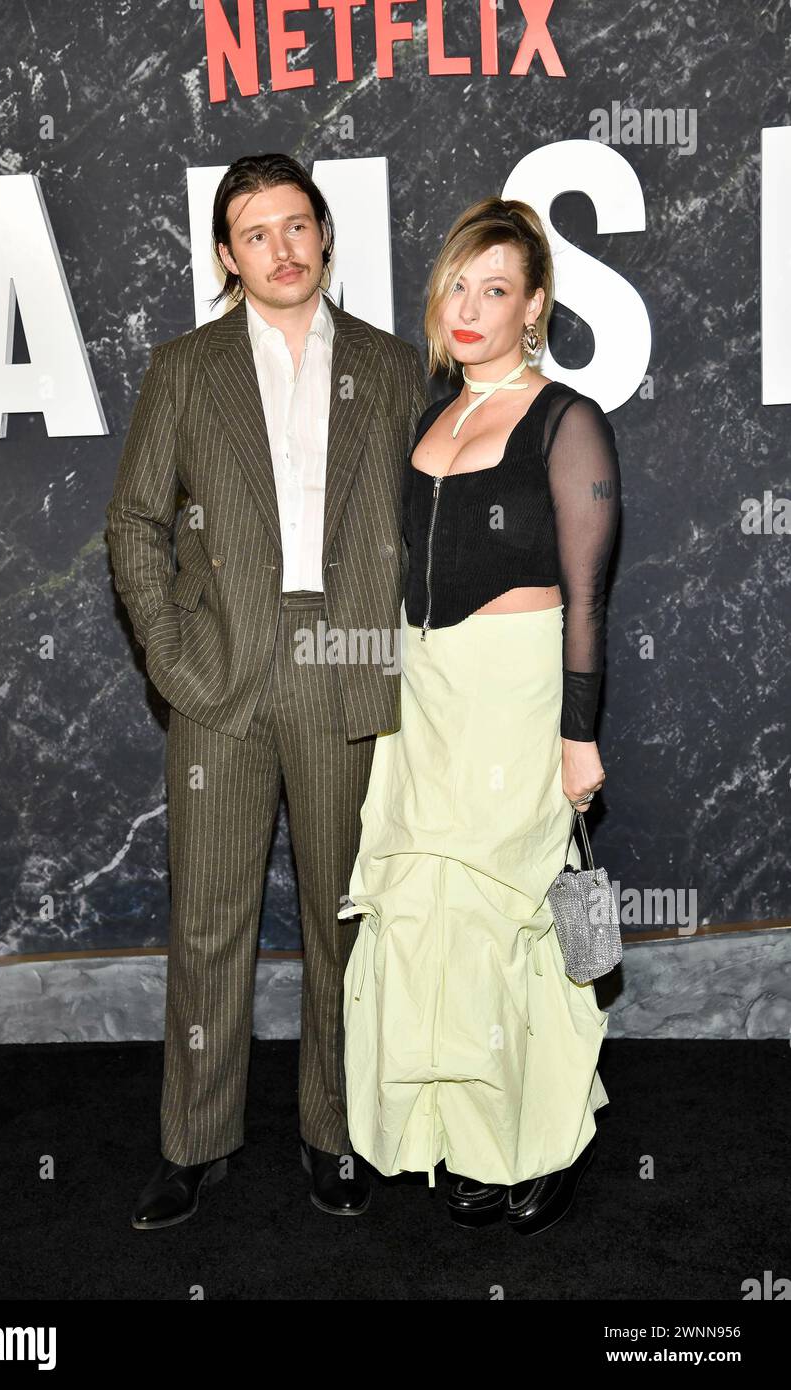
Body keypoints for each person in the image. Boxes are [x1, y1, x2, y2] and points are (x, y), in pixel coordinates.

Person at [105, 153, 428, 1229]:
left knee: (347, 918)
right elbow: (136, 522)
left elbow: (430, 530)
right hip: (223, 672)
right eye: (256, 233)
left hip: (351, 667)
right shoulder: (185, 367)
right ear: (224, 255)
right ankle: (193, 1142)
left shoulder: (391, 367)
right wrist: (169, 648)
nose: (281, 248)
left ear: (324, 236)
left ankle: (334, 1134)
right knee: (206, 921)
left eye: (297, 226)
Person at [337, 197, 622, 1236]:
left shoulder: (565, 417)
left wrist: (578, 732)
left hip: (515, 691)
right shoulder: (429, 411)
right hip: (424, 690)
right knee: (425, 917)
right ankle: (462, 1136)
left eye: (494, 288)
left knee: (507, 915)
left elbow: (587, 597)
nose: (468, 306)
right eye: (457, 283)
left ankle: (537, 1144)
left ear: (532, 305)